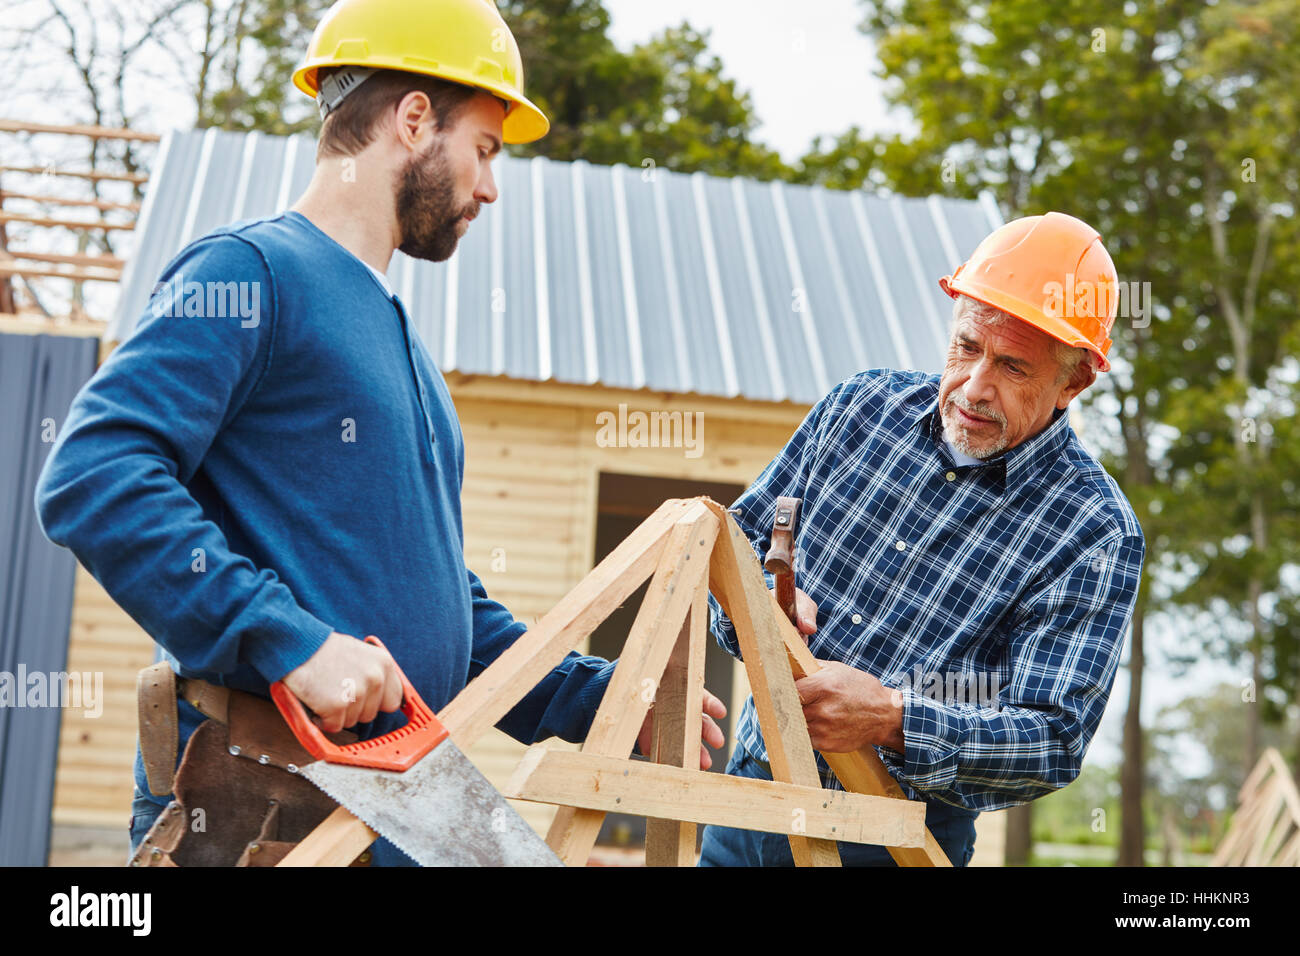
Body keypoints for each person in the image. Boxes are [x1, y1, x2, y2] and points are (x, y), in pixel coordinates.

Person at [35, 0, 723, 867]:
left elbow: (437, 610)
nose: (489, 186)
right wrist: (288, 642)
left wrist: (593, 697)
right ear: (412, 120)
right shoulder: (250, 272)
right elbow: (95, 474)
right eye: (484, 149)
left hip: (402, 795)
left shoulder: (405, 347)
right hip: (266, 802)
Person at [699, 212, 1145, 866]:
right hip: (749, 800)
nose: (974, 386)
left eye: (1012, 367)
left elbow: (1050, 740)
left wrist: (892, 718)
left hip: (894, 845)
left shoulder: (1092, 530)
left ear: (1072, 382)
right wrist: (760, 604)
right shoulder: (857, 410)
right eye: (967, 347)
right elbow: (730, 553)